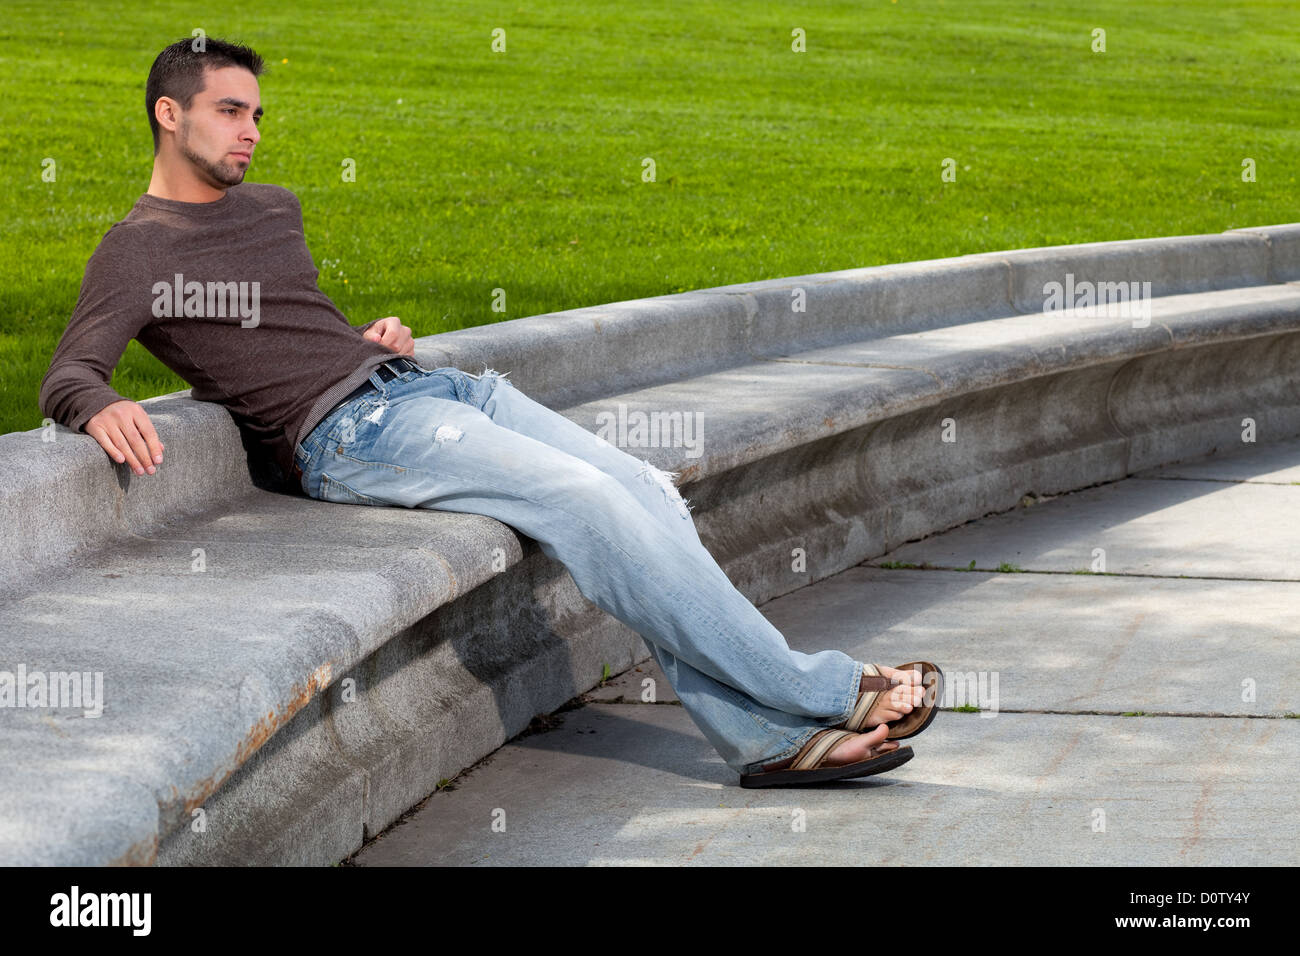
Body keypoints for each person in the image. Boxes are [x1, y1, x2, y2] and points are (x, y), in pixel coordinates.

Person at [39, 37, 940, 787]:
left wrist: (362, 337)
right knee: (587, 505)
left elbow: (278, 328)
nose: (253, 133)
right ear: (170, 113)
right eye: (231, 111)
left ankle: (769, 745)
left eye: (258, 114)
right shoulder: (138, 247)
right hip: (357, 436)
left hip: (433, 387)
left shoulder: (275, 209)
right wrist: (98, 401)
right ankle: (822, 689)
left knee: (646, 490)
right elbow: (71, 369)